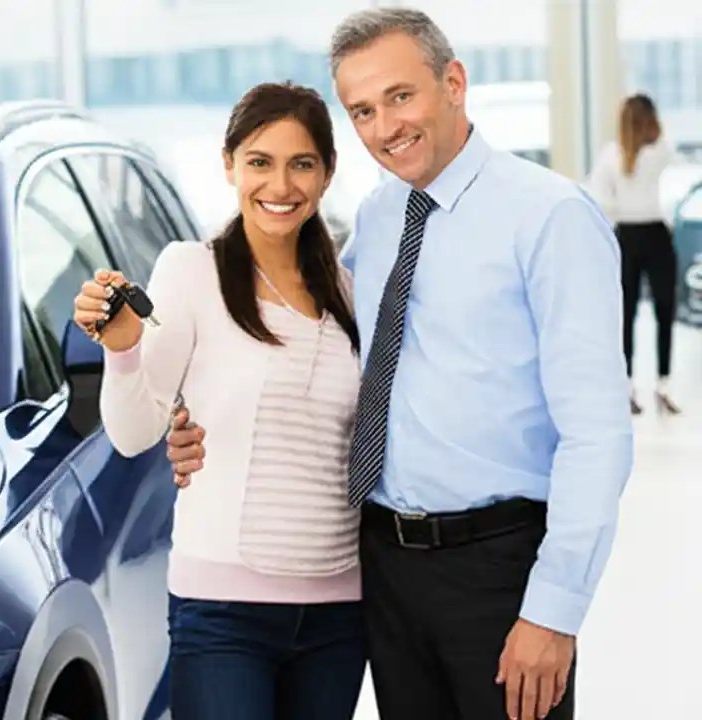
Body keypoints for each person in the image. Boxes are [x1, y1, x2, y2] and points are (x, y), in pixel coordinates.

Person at [164, 8, 634, 720]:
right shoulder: (378, 221)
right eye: (362, 111)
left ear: (453, 82)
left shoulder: (549, 216)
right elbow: (316, 353)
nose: (385, 127)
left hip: (498, 570)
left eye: (400, 97)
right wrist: (194, 418)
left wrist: (555, 610)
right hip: (382, 571)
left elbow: (598, 434)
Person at [71, 82, 366, 719]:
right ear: (229, 163)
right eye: (260, 161)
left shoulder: (349, 290)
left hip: (340, 614)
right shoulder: (191, 270)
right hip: (225, 613)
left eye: (302, 163)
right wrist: (121, 351)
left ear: (328, 173)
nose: (280, 185)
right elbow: (133, 433)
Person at [587, 93, 684, 415]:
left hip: (626, 236)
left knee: (625, 314)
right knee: (663, 310)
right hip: (655, 234)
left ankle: (627, 386)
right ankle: (663, 383)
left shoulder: (610, 156)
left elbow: (601, 198)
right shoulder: (660, 150)